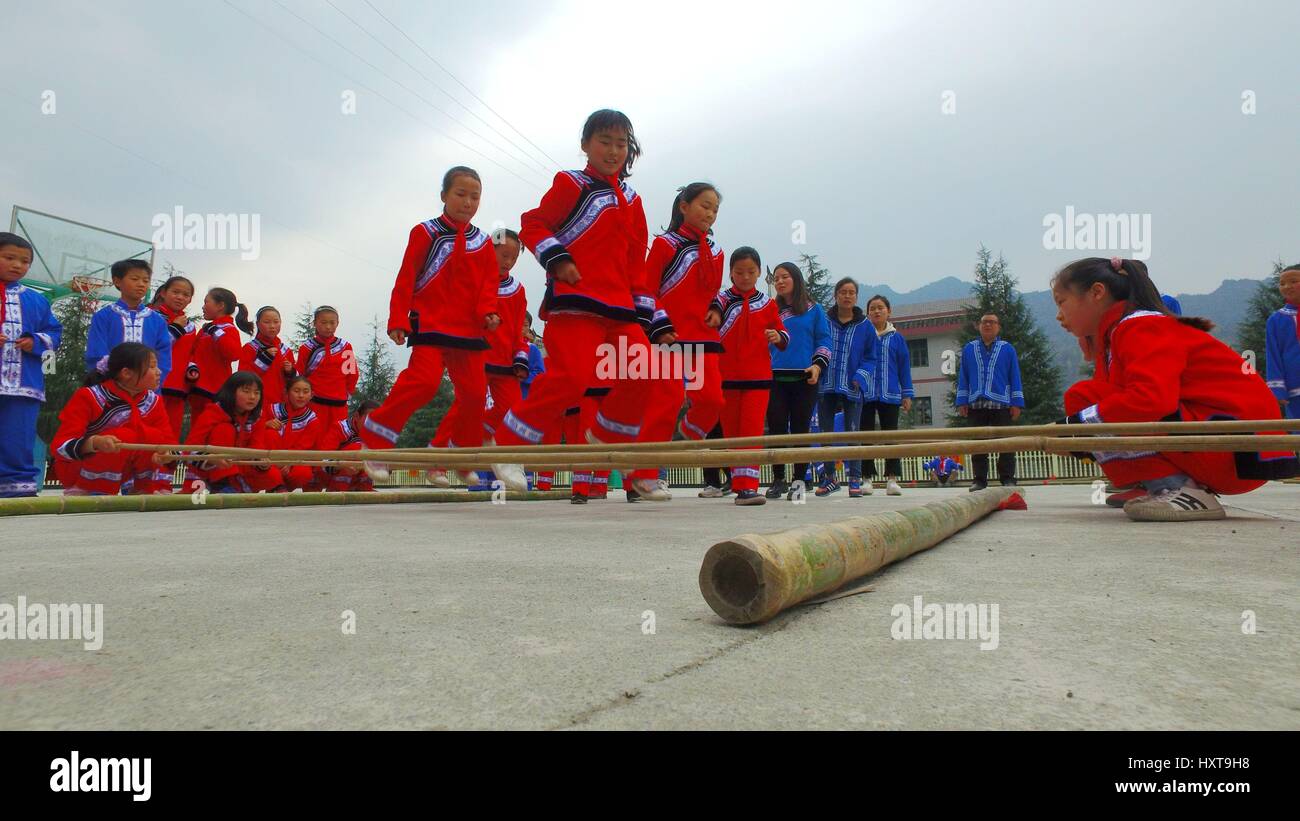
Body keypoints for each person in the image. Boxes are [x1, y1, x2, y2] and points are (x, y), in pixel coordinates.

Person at [488, 109, 670, 501]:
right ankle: (507, 446)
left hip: (619, 308)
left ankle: (605, 437)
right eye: (604, 142)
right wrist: (559, 259)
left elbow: (636, 260)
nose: (613, 151)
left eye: (621, 144)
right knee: (572, 377)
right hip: (575, 303)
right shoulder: (571, 183)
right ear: (586, 145)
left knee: (649, 371)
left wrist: (645, 312)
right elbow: (533, 223)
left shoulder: (634, 199)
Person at [1055, 256, 1297, 521]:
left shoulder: (1142, 326)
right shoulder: (1117, 334)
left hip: (1236, 445)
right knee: (1085, 397)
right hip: (1222, 443)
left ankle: (1178, 489)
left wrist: (1076, 426)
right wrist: (1078, 433)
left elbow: (1151, 399)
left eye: (1061, 302)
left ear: (1097, 293)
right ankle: (1167, 484)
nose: (1058, 315)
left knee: (1087, 402)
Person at [359, 167, 499, 470]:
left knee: (475, 395)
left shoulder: (484, 242)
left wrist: (488, 311)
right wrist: (398, 318)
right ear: (444, 196)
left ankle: (459, 457)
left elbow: (489, 284)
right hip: (431, 322)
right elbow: (407, 276)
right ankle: (376, 437)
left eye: (475, 197)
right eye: (460, 195)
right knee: (423, 383)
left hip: (469, 331)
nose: (468, 203)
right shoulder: (426, 232)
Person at [630, 182, 725, 497]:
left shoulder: (716, 251)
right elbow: (646, 289)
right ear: (684, 206)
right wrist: (658, 325)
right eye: (704, 205)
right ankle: (644, 477)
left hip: (703, 336)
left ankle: (682, 440)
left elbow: (713, 293)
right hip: (667, 334)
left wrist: (715, 309)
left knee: (713, 400)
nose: (710, 213)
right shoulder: (664, 245)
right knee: (665, 403)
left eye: (714, 209)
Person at [711, 247, 789, 505]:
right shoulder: (721, 301)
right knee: (732, 434)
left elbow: (782, 332)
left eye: (751, 272)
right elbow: (708, 322)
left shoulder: (768, 304)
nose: (745, 277)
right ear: (731, 273)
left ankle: (748, 487)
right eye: (739, 272)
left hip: (757, 378)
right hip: (726, 378)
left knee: (752, 431)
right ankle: (738, 483)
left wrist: (777, 336)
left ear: (758, 273)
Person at [52, 342, 175, 495]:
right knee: (125, 436)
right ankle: (90, 490)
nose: (159, 372)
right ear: (126, 373)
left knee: (154, 438)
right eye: (152, 366)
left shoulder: (154, 401)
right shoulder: (89, 396)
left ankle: (143, 488)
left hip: (123, 471)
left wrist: (166, 454)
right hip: (78, 470)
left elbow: (168, 440)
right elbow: (59, 446)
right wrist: (94, 443)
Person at [0, 232, 62, 497]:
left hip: (25, 384)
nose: (17, 265)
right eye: (9, 258)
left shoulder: (37, 300)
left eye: (24, 261)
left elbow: (54, 334)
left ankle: (16, 491)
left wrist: (34, 341)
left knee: (18, 438)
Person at [765, 262, 829, 500]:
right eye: (777, 278)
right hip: (775, 377)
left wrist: (817, 365)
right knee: (777, 429)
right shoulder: (770, 309)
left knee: (800, 430)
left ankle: (799, 480)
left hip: (805, 377)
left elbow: (824, 340)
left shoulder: (814, 310)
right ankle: (778, 479)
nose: (780, 282)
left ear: (796, 279)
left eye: (785, 277)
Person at [816, 277, 875, 498]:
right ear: (836, 295)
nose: (847, 296)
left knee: (853, 432)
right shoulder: (824, 320)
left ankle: (855, 479)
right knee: (825, 433)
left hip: (853, 385)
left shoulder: (865, 326)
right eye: (843, 292)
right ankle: (830, 478)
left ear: (856, 297)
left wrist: (861, 375)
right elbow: (817, 344)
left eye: (851, 292)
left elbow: (871, 357)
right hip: (826, 384)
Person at [185, 372, 285, 494]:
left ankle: (274, 487)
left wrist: (261, 461)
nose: (252, 397)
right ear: (231, 392)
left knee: (271, 465)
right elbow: (190, 448)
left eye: (257, 393)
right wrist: (211, 459)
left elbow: (256, 445)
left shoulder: (257, 416)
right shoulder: (214, 411)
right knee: (225, 429)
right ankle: (221, 483)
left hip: (241, 465)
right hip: (210, 470)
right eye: (246, 391)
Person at [955, 313, 1023, 491]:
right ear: (978, 326)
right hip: (976, 404)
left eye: (992, 322)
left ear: (998, 327)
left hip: (1002, 404)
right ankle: (979, 480)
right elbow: (964, 376)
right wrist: (962, 401)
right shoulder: (969, 349)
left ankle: (1008, 478)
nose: (988, 325)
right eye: (984, 322)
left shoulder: (1008, 349)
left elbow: (1014, 376)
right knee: (978, 445)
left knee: (1006, 443)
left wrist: (1016, 403)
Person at [86, 259, 172, 384]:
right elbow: (96, 353)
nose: (141, 284)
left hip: (147, 390)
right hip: (109, 388)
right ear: (117, 281)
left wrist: (151, 384)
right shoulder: (103, 316)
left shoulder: (157, 321)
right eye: (135, 279)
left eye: (146, 280)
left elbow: (164, 359)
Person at [861, 294, 914, 495]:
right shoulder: (863, 335)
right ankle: (866, 479)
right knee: (865, 436)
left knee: (890, 435)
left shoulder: (897, 338)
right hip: (865, 393)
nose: (876, 311)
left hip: (890, 393)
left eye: (880, 307)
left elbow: (904, 367)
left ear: (888, 311)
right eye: (872, 308)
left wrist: (906, 394)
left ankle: (892, 479)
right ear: (868, 313)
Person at [188, 287, 251, 417]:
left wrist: (216, 332)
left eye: (206, 302)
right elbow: (192, 353)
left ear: (220, 305)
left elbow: (234, 354)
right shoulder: (206, 329)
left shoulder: (228, 329)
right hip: (197, 387)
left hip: (216, 390)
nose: (203, 307)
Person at [149, 274, 198, 436]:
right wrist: (175, 328)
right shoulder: (150, 315)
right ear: (163, 293)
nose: (180, 297)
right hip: (153, 385)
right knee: (150, 431)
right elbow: (150, 347)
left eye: (186, 295)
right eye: (175, 292)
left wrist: (191, 368)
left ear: (190, 299)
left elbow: (190, 354)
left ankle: (167, 462)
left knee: (171, 434)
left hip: (178, 386)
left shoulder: (190, 325)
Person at [298, 305, 358, 431]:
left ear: (337, 323)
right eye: (323, 322)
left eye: (332, 323)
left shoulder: (345, 347)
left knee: (337, 438)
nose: (328, 326)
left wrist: (346, 394)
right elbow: (301, 374)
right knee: (314, 437)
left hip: (339, 405)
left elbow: (352, 374)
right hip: (314, 403)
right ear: (315, 323)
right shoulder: (306, 348)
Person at [263, 374, 323, 491]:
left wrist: (289, 463)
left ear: (311, 395)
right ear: (287, 392)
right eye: (296, 391)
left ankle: (282, 487)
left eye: (305, 392)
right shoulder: (271, 410)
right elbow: (254, 431)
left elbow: (302, 447)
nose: (301, 396)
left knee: (304, 473)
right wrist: (265, 424)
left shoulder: (312, 420)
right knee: (269, 434)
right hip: (270, 461)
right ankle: (275, 485)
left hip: (294, 462)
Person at [239, 305, 297, 409]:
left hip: (281, 404)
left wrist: (290, 371)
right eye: (267, 322)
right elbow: (243, 378)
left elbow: (294, 381)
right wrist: (263, 359)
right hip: (256, 403)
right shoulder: (250, 348)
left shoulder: (286, 351)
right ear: (258, 324)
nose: (272, 326)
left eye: (276, 322)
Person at [1264, 263, 1300, 418]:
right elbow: (1273, 355)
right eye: (1282, 283)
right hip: (1294, 387)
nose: (1287, 287)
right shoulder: (1276, 319)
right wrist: (1277, 390)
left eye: (1293, 281)